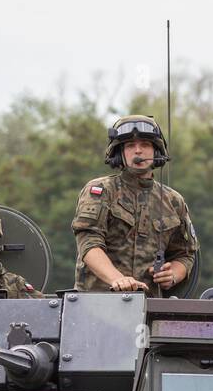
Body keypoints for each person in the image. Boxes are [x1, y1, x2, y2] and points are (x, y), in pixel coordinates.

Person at [72, 115, 198, 294]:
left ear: (156, 151)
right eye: (130, 146)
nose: (138, 151)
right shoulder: (101, 191)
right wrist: (117, 279)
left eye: (145, 145)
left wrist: (173, 274)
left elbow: (185, 254)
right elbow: (89, 243)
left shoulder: (173, 201)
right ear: (120, 153)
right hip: (97, 303)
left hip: (150, 308)